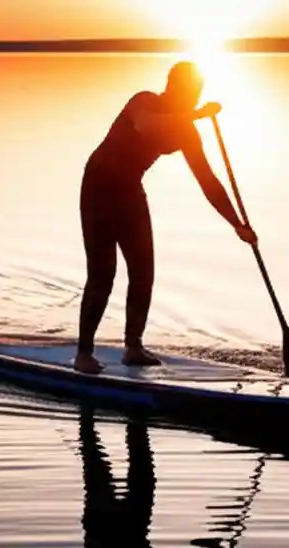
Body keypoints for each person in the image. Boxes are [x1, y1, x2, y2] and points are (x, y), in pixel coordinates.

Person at [75, 61, 257, 375]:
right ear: (172, 88)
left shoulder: (186, 131)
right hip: (98, 186)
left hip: (130, 187)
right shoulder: (144, 102)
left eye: (196, 94)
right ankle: (83, 353)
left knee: (144, 269)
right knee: (103, 273)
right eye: (189, 93)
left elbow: (208, 181)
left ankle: (133, 347)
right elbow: (148, 126)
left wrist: (237, 225)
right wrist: (197, 114)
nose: (193, 99)